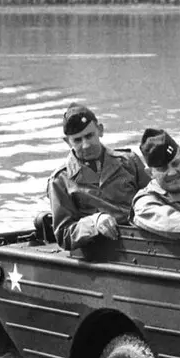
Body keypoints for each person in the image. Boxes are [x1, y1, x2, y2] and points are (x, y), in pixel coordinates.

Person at [47, 103, 149, 250]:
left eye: (89, 136)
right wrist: (93, 223)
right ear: (67, 141)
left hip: (142, 239)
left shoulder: (129, 162)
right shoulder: (60, 180)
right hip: (101, 251)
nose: (86, 145)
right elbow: (63, 236)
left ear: (100, 130)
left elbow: (155, 198)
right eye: (77, 140)